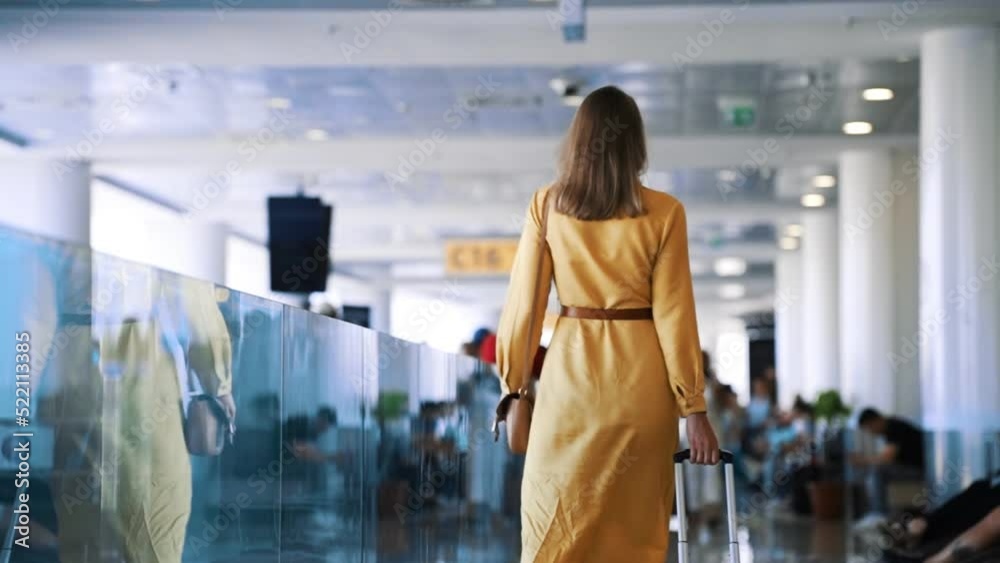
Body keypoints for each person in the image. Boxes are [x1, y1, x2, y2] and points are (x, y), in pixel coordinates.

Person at [495, 85, 718, 563]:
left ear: (578, 140)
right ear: (636, 143)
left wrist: (513, 386)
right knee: (634, 536)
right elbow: (676, 315)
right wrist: (693, 407)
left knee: (553, 528)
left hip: (569, 388)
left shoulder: (547, 205)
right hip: (642, 391)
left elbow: (524, 308)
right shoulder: (664, 212)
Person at [854, 408, 926, 525]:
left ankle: (878, 514)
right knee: (876, 471)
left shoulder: (894, 427)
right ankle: (882, 513)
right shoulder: (890, 429)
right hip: (912, 469)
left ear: (875, 421)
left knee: (878, 471)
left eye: (869, 428)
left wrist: (862, 460)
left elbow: (887, 458)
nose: (871, 433)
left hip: (919, 471)